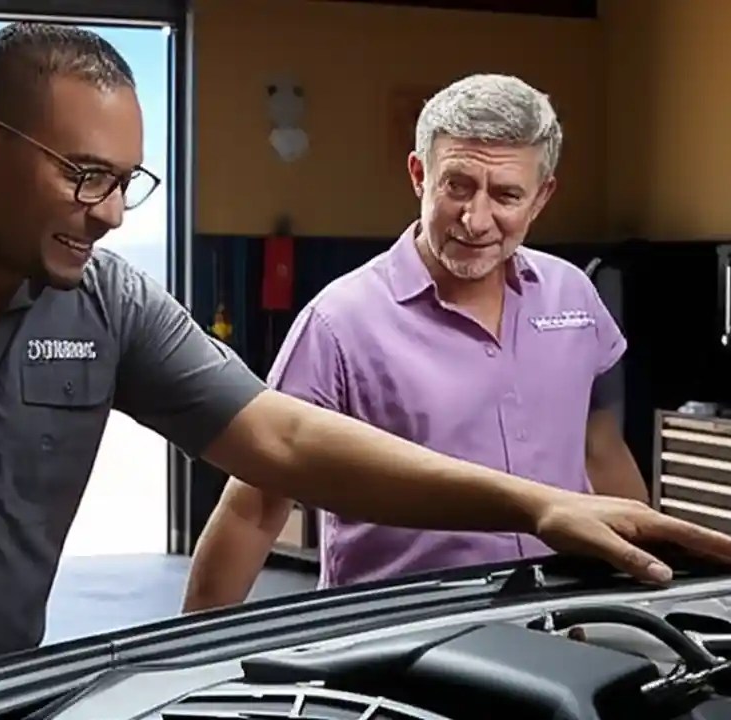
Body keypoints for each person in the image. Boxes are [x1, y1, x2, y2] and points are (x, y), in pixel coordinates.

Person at [0, 26, 731, 720]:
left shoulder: (110, 300)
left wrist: (538, 505)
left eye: (125, 180)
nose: (105, 208)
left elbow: (276, 438)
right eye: (83, 173)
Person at [182, 73, 656, 612]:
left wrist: (644, 593)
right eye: (457, 186)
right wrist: (182, 665)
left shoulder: (572, 294)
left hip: (565, 616)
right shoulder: (340, 322)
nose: (476, 220)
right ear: (418, 174)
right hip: (401, 637)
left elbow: (602, 449)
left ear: (542, 196)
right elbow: (256, 506)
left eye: (506, 195)